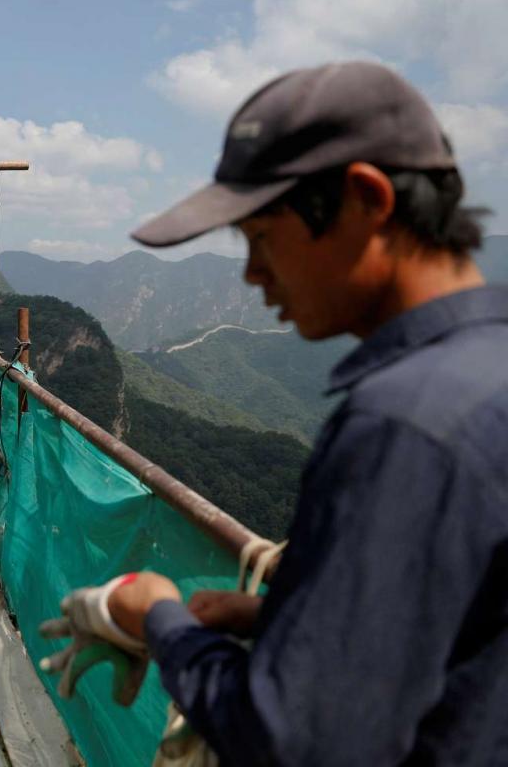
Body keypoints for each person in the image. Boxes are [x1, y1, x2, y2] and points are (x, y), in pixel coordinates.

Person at [44, 61, 508, 764]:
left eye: (262, 237)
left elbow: (288, 738)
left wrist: (158, 616)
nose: (253, 274)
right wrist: (282, 617)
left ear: (365, 200)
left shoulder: (404, 425)